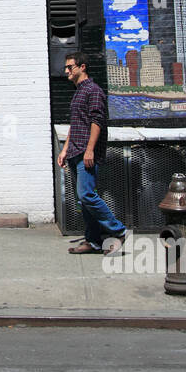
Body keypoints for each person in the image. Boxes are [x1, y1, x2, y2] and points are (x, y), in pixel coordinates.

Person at [59, 52, 126, 255]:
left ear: (82, 67)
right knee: (83, 200)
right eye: (66, 67)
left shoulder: (93, 91)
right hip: (74, 151)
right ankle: (93, 241)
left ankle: (118, 230)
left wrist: (89, 150)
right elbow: (76, 124)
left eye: (70, 67)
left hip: (86, 153)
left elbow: (97, 121)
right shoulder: (79, 91)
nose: (66, 71)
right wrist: (64, 149)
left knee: (87, 195)